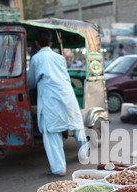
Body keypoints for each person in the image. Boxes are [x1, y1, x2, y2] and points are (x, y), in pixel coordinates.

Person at [27, 29, 88, 176]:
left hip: (51, 99)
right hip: (67, 95)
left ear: (36, 43)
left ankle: (59, 169)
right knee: (77, 125)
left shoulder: (36, 58)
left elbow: (30, 82)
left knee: (51, 132)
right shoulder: (60, 57)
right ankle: (85, 155)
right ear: (51, 43)